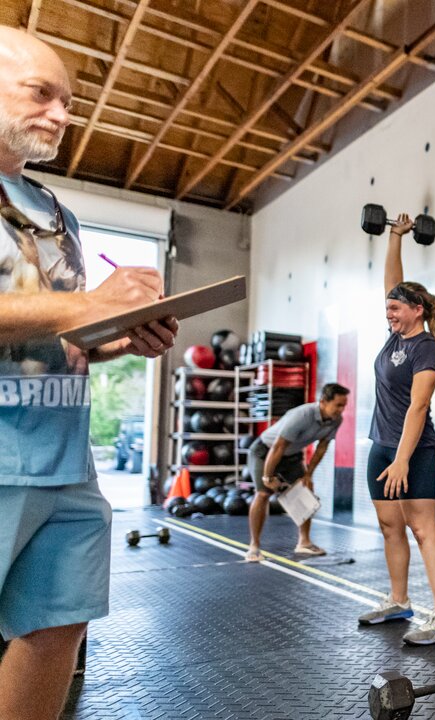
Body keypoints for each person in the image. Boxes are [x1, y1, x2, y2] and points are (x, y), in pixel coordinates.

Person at [0, 28, 179, 720]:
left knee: (58, 628)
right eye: (40, 92)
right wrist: (89, 303)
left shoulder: (60, 216)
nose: (62, 113)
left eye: (69, 102)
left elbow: (64, 336)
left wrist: (121, 337)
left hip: (68, 465)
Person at [357, 213, 435, 645]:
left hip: (414, 450)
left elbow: (419, 407)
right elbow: (392, 283)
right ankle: (400, 601)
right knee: (389, 527)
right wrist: (395, 237)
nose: (389, 314)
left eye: (396, 309)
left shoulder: (426, 349)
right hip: (381, 444)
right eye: (388, 309)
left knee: (422, 528)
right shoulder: (396, 335)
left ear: (418, 311)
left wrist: (401, 459)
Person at [245, 382, 350, 562]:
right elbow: (278, 446)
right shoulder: (302, 415)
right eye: (338, 405)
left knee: (304, 492)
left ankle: (304, 542)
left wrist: (308, 475)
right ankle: (254, 546)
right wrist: (268, 476)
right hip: (265, 452)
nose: (341, 410)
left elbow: (321, 448)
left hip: (291, 456)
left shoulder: (336, 420)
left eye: (344, 406)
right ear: (323, 401)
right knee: (263, 494)